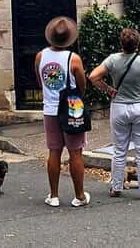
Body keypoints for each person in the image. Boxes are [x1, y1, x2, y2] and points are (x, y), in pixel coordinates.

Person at [88, 28, 140, 200]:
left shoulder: (112, 60)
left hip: (119, 106)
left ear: (121, 44)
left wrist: (108, 89)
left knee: (119, 150)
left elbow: (94, 76)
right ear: (137, 44)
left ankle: (116, 187)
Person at [35, 16, 90, 208]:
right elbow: (82, 85)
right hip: (71, 108)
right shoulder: (73, 59)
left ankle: (54, 195)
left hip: (50, 109)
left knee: (54, 151)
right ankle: (79, 195)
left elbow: (40, 81)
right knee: (75, 152)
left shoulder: (40, 56)